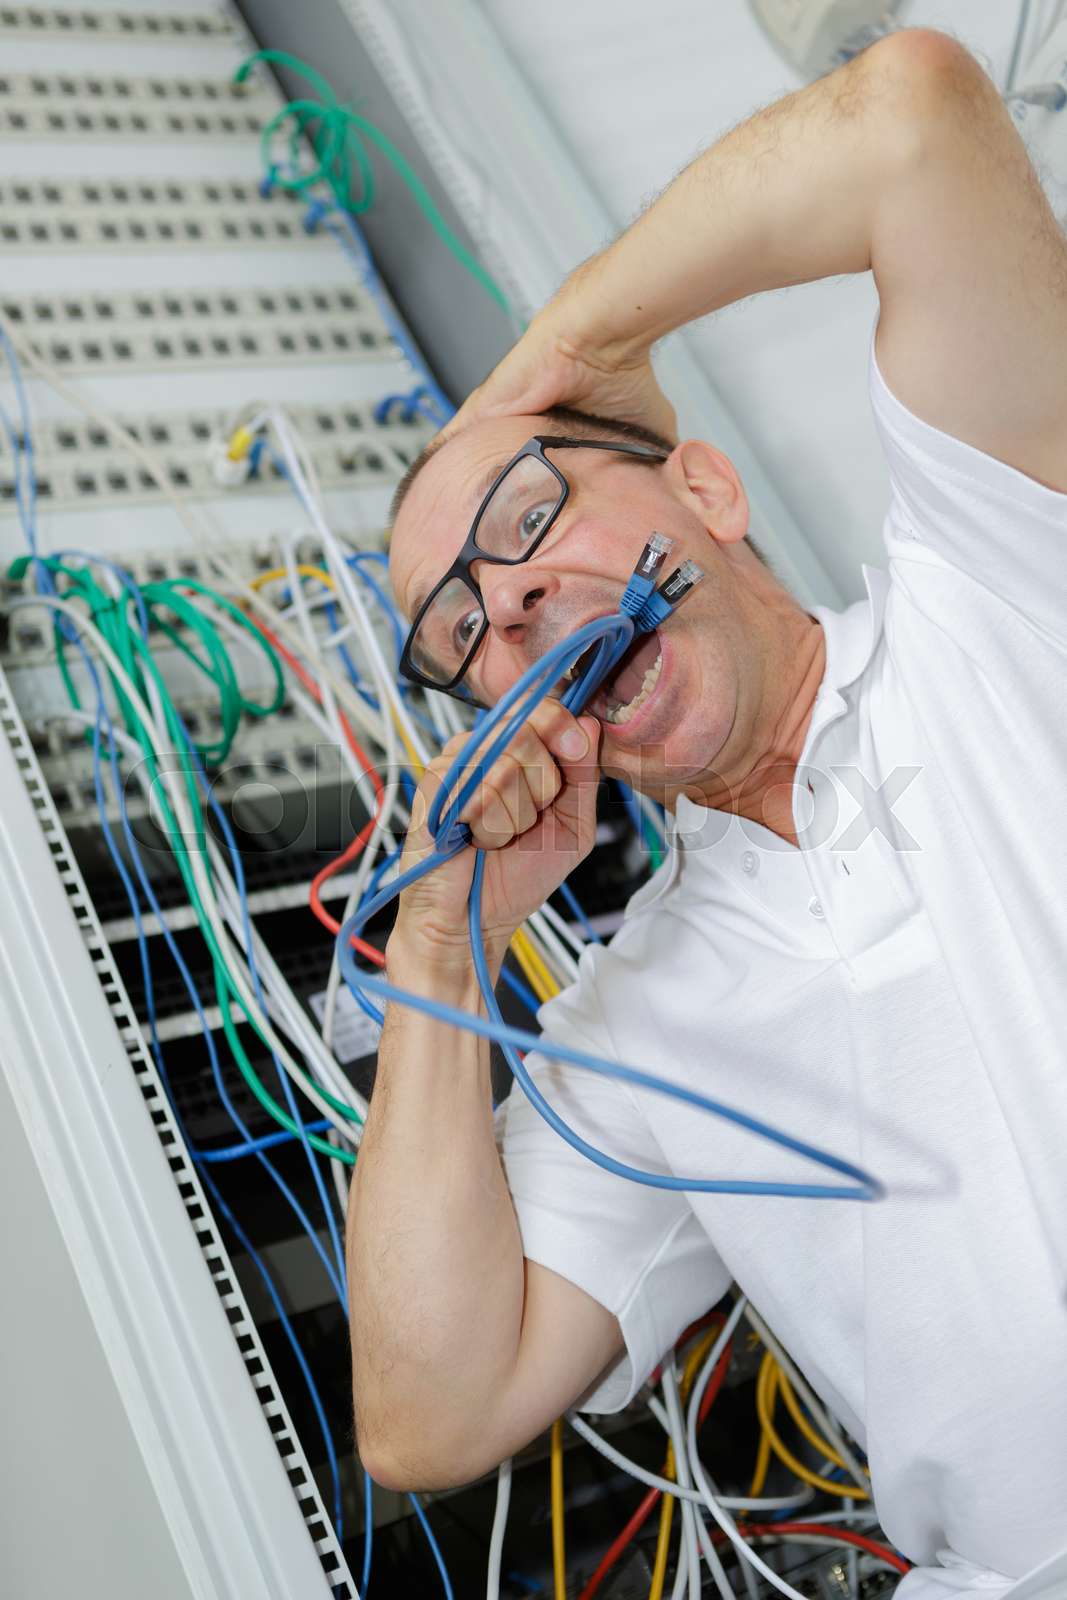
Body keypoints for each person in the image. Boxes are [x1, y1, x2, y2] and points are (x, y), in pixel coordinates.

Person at [346, 29, 1067, 1598]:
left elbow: (914, 118)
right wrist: (444, 950)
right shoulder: (638, 1023)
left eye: (531, 513)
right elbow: (424, 1414)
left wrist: (575, 338)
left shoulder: (1003, 587)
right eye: (467, 631)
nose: (512, 603)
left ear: (709, 493)